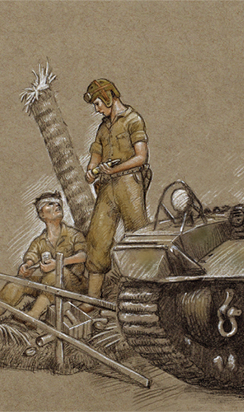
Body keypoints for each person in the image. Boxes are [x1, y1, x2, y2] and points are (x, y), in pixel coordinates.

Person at [0, 192, 88, 328]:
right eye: (50, 203)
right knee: (17, 282)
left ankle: (33, 316)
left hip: (74, 286)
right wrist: (26, 267)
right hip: (50, 286)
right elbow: (31, 257)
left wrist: (58, 264)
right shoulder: (39, 241)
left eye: (57, 203)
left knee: (54, 274)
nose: (56, 205)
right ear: (42, 214)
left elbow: (83, 256)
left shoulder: (73, 234)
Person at [80, 78, 149, 301]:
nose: (97, 108)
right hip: (107, 187)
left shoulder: (133, 120)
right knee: (97, 240)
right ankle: (92, 300)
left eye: (98, 103)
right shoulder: (102, 128)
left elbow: (141, 157)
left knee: (138, 238)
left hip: (130, 184)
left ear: (110, 97)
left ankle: (143, 295)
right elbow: (94, 158)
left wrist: (115, 168)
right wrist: (91, 172)